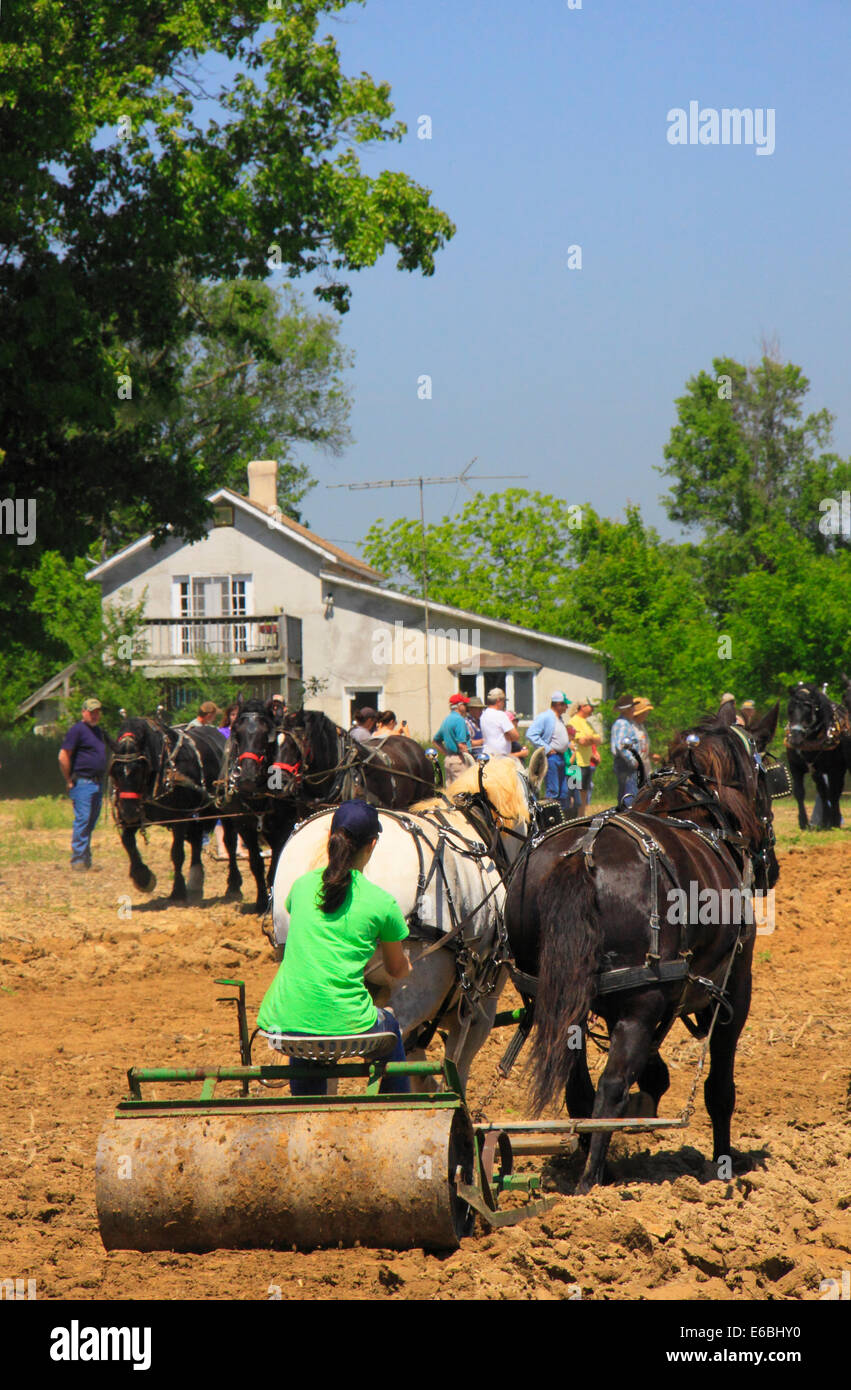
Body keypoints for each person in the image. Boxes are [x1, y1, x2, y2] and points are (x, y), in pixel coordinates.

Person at [257, 800, 412, 1096]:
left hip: (284, 1024)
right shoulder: (382, 902)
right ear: (373, 844)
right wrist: (406, 966)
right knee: (390, 1025)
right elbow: (396, 970)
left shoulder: (301, 887)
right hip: (350, 1027)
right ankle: (397, 1104)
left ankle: (307, 1106)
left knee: (307, 1035)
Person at [58, 697, 107, 871]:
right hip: (83, 783)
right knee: (83, 820)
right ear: (83, 712)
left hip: (97, 783)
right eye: (91, 712)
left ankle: (85, 859)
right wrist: (69, 780)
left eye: (97, 712)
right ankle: (78, 859)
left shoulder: (98, 731)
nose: (95, 715)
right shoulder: (77, 730)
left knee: (91, 822)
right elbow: (63, 755)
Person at [527, 692, 570, 807]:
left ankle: (562, 818)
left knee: (563, 791)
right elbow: (531, 734)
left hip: (560, 757)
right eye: (565, 705)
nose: (566, 708)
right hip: (552, 758)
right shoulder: (546, 717)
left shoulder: (559, 718)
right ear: (558, 704)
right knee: (553, 790)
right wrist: (546, 748)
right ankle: (551, 818)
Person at [566, 697, 597, 813]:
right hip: (575, 763)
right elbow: (582, 741)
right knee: (574, 792)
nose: (592, 708)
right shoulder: (573, 721)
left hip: (586, 762)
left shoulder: (587, 723)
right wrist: (590, 739)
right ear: (582, 707)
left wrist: (590, 739)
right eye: (590, 706)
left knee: (584, 791)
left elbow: (598, 739)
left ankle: (581, 816)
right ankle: (572, 817)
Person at [433, 693, 473, 783]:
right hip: (460, 760)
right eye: (464, 704)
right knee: (463, 790)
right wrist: (470, 761)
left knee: (451, 791)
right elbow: (461, 745)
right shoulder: (459, 720)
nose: (466, 707)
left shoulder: (447, 719)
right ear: (459, 706)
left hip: (448, 760)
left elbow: (435, 741)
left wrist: (447, 753)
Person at [479, 688, 520, 757]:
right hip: (500, 756)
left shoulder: (483, 715)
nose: (504, 704)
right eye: (503, 701)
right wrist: (508, 736)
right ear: (498, 700)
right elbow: (516, 736)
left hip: (486, 754)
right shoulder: (501, 715)